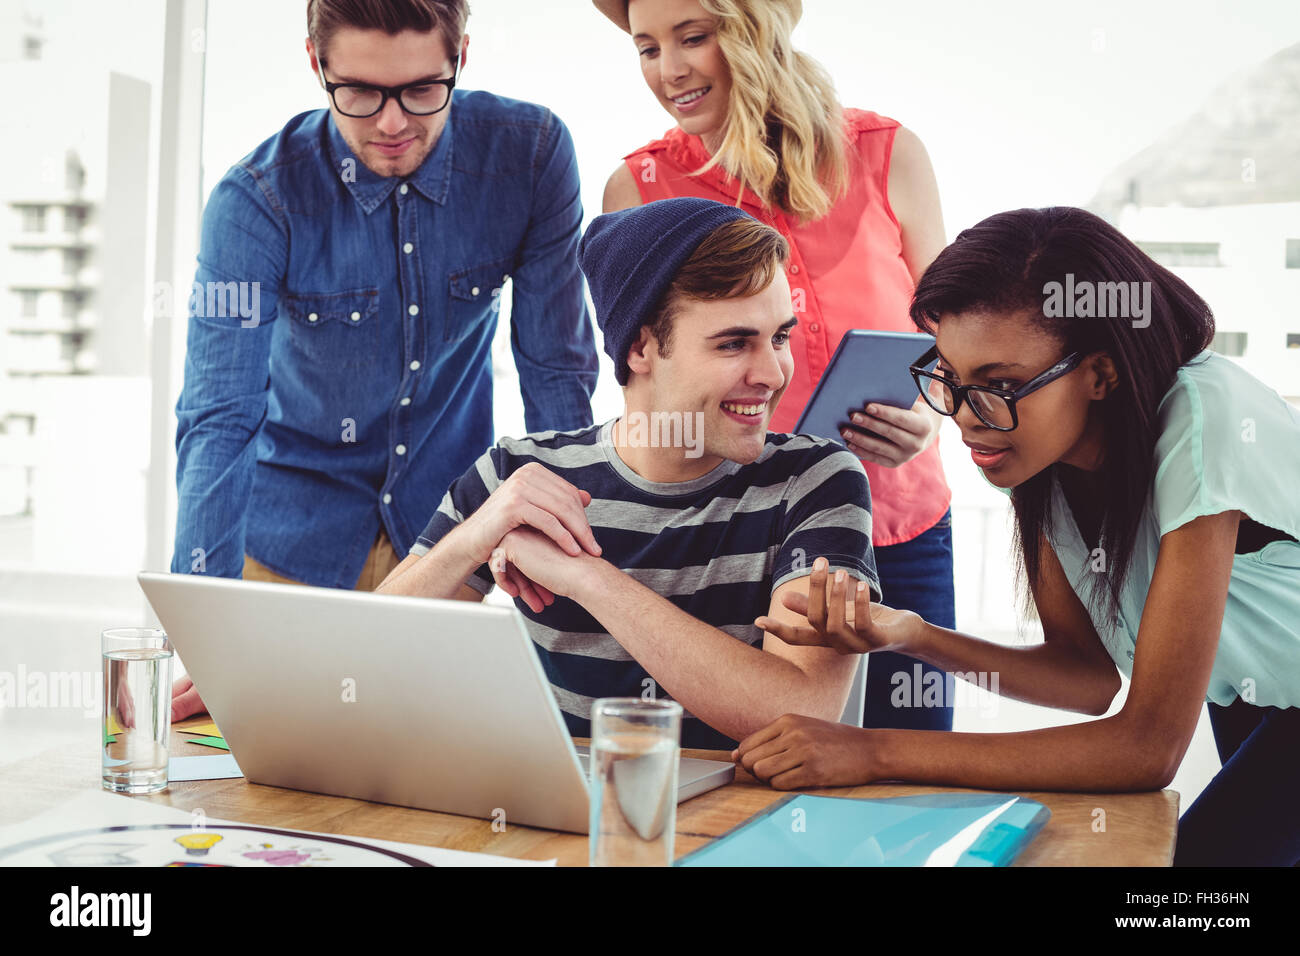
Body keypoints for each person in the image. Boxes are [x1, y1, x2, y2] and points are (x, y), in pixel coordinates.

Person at [734, 206, 1300, 867]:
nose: (967, 420)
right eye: (950, 378)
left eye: (999, 385)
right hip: (1259, 690)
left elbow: (1147, 747)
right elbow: (1083, 677)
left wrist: (872, 750)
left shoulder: (1203, 424)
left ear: (1100, 373)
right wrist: (912, 634)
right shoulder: (1036, 454)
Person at [170, 0, 598, 719]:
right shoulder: (255, 202)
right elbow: (220, 417)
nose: (393, 123)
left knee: (429, 792)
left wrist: (576, 569)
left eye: (422, 91)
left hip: (443, 549)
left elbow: (555, 375)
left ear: (461, 55)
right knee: (268, 806)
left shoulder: (530, 155)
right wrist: (201, 625)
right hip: (282, 556)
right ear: (317, 63)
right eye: (360, 94)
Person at [377, 197, 879, 749]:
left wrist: (586, 578)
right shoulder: (519, 475)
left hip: (748, 823)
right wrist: (475, 536)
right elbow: (368, 660)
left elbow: (801, 714)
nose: (772, 373)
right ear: (641, 348)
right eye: (734, 343)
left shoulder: (817, 481)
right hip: (564, 818)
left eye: (780, 337)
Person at [595, 0, 957, 733]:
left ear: (755, 32)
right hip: (733, 542)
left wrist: (929, 412)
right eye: (647, 48)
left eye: (692, 38)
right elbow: (640, 393)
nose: (669, 71)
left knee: (912, 778)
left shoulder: (890, 153)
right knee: (760, 780)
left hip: (904, 531)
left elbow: (957, 348)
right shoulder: (639, 190)